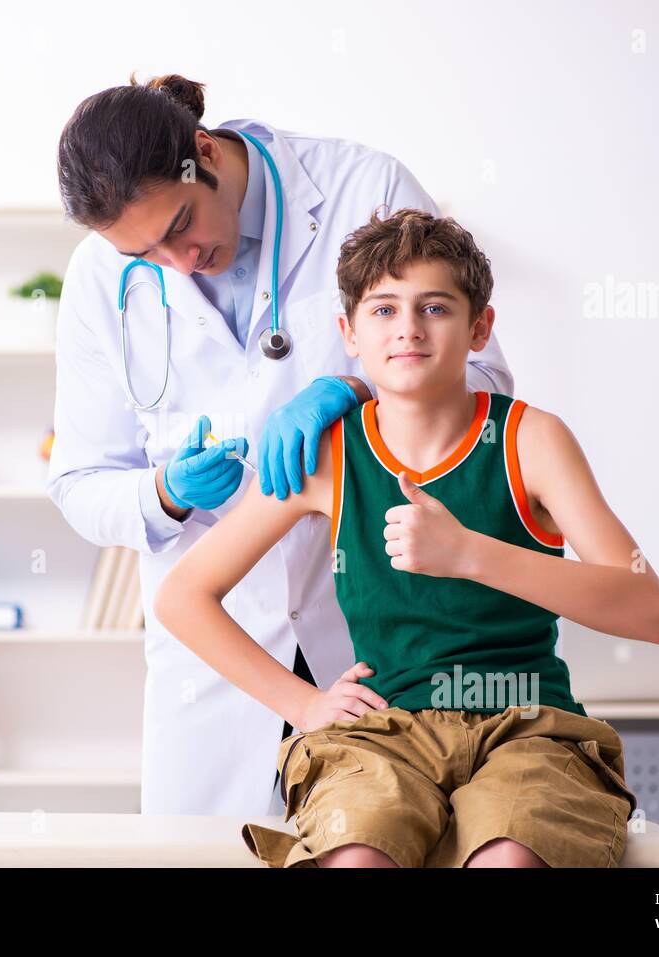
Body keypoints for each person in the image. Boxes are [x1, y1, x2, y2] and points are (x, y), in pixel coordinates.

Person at [48, 73, 513, 815]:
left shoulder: (366, 187)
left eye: (178, 226)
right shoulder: (102, 277)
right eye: (146, 256)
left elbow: (487, 382)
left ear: (202, 152)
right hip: (213, 662)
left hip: (371, 620)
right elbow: (78, 480)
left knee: (379, 840)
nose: (177, 261)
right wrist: (162, 493)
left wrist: (358, 392)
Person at [154, 207, 659, 866]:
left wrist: (470, 554)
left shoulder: (531, 441)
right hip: (382, 736)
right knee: (359, 855)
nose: (408, 329)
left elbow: (648, 609)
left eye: (434, 308)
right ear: (347, 332)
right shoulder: (331, 456)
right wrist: (306, 704)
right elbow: (184, 596)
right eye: (383, 310)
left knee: (509, 857)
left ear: (479, 327)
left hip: (526, 727)